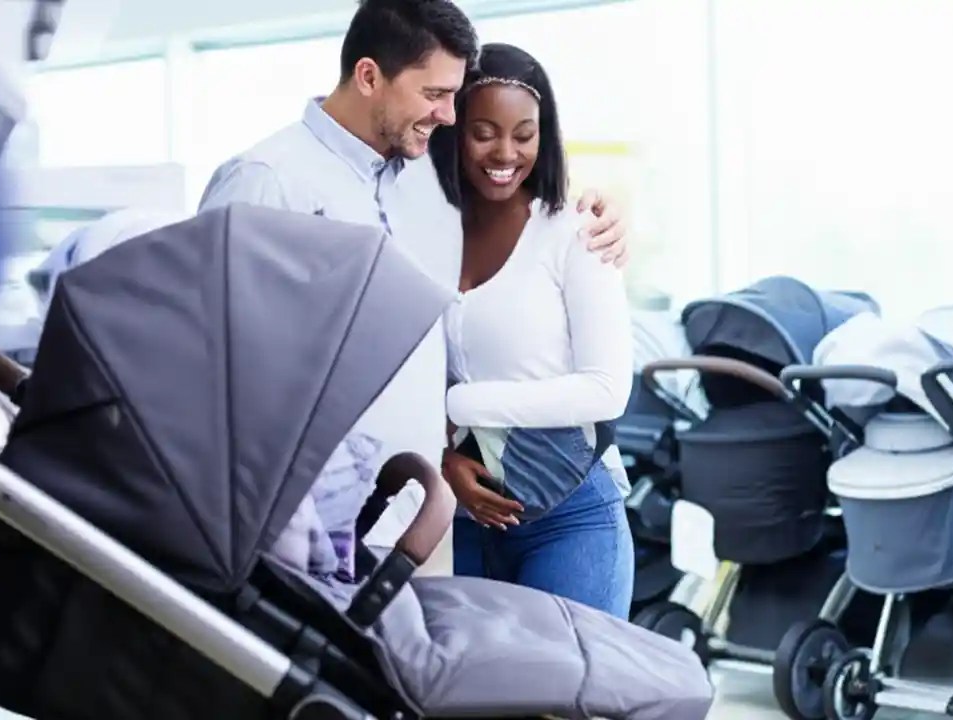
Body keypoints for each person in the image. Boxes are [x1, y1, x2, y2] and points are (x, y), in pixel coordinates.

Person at [196, 0, 633, 582]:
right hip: (308, 525)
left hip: (418, 521)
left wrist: (602, 209)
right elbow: (221, 369)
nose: (449, 115)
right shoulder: (268, 180)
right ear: (370, 76)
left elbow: (514, 172)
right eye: (434, 95)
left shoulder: (421, 179)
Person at [428, 43, 635, 618]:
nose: (505, 152)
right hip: (462, 517)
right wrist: (444, 455)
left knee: (562, 704)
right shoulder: (427, 233)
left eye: (524, 134)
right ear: (455, 130)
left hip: (570, 518)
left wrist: (460, 404)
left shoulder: (577, 235)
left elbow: (606, 389)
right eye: (484, 131)